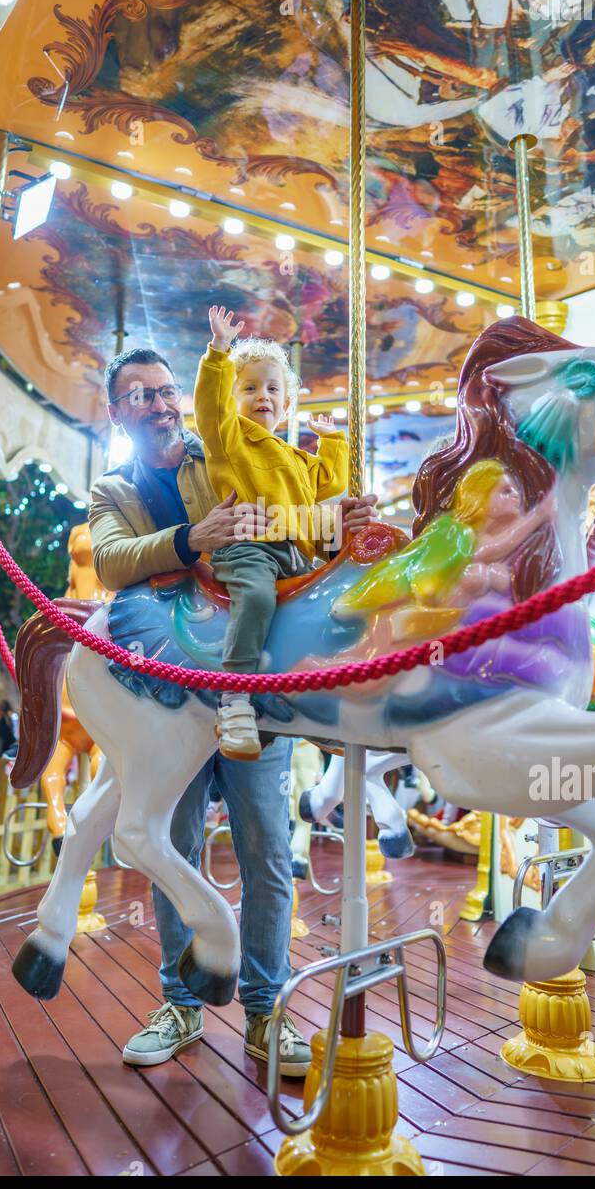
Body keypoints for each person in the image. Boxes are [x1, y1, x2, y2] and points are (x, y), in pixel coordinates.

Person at [89, 344, 376, 1076]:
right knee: (171, 847)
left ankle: (263, 1010)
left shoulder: (218, 454)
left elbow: (296, 525)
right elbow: (111, 559)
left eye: (163, 391)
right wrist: (193, 539)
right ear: (117, 411)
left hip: (249, 692)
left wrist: (335, 515)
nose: (157, 404)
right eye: (139, 396)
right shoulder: (114, 488)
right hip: (173, 697)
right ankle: (182, 1003)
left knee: (267, 855)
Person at [194, 305, 349, 758]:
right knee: (258, 597)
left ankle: (320, 693)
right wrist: (220, 353)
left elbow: (332, 482)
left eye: (272, 388)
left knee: (332, 605)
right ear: (233, 398)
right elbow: (209, 406)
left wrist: (333, 441)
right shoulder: (231, 438)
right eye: (249, 387)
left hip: (296, 553)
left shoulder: (296, 459)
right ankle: (235, 695)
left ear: (286, 404)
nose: (263, 395)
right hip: (249, 550)